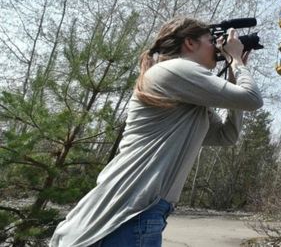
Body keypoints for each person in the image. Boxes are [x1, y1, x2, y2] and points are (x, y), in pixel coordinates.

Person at [50, 17, 264, 247]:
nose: (218, 46)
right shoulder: (174, 69)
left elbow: (226, 136)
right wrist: (236, 62)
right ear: (190, 43)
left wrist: (234, 74)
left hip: (137, 212)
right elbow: (252, 99)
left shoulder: (188, 94)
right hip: (130, 214)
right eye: (211, 41)